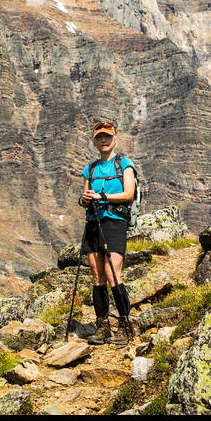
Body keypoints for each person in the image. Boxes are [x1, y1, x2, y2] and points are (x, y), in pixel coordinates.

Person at [78, 119, 136, 344]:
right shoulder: (90, 169)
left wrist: (102, 197)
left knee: (113, 273)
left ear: (114, 139)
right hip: (93, 222)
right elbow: (84, 197)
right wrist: (84, 199)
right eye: (99, 137)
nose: (104, 140)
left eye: (107, 137)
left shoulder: (124, 164)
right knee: (96, 275)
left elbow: (128, 194)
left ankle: (125, 325)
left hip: (114, 222)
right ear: (94, 141)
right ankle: (102, 326)